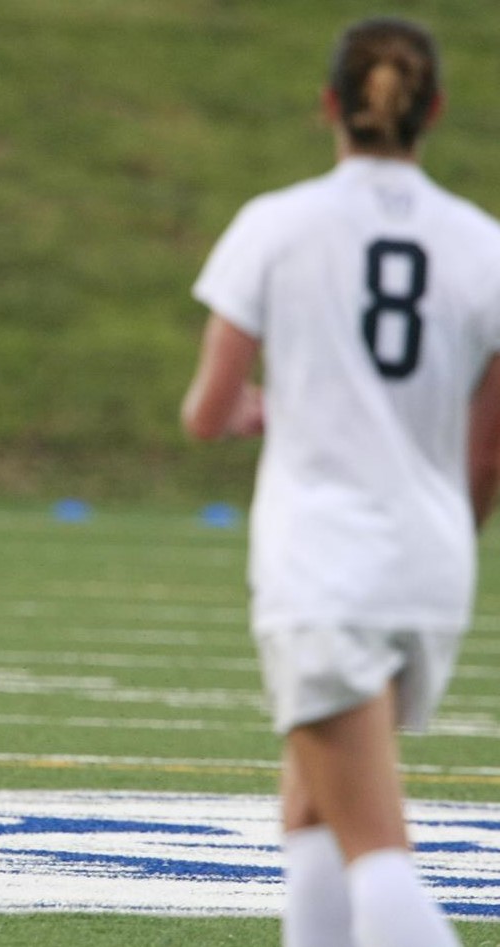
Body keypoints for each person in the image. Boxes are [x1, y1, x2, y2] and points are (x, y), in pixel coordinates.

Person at [181, 17, 500, 947]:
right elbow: (486, 452)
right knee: (311, 813)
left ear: (328, 105)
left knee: (375, 850)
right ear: (432, 111)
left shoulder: (276, 225)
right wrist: (446, 527)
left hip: (322, 562)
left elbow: (208, 410)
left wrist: (257, 409)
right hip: (433, 563)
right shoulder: (481, 243)